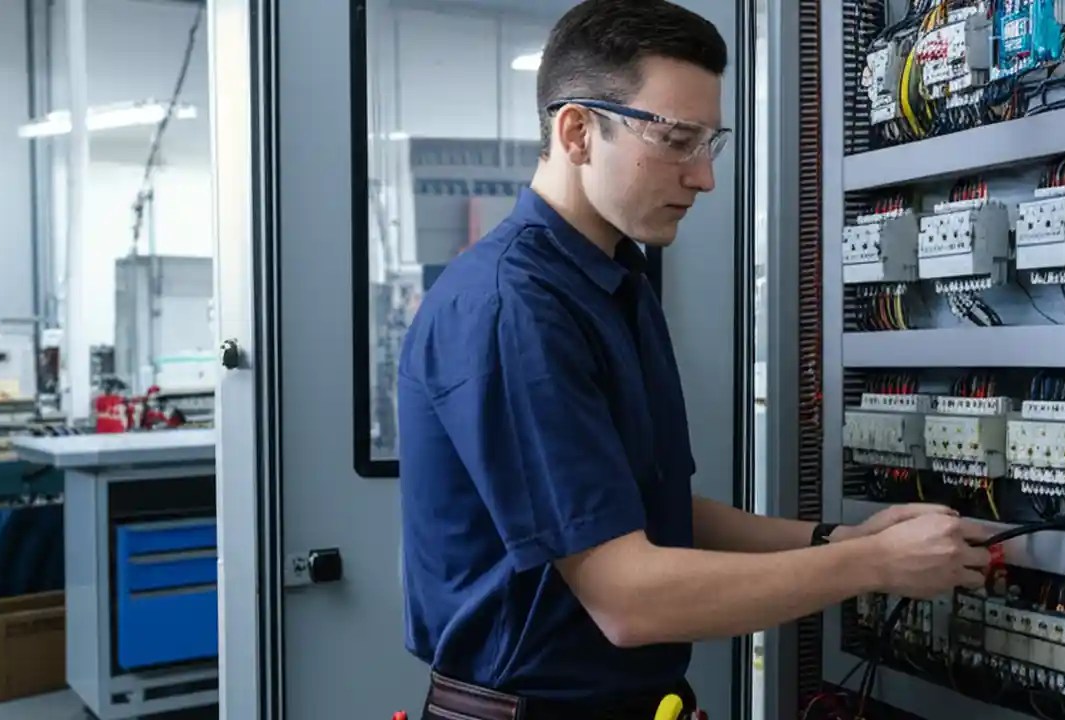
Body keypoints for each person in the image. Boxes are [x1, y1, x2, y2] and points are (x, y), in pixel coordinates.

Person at [396, 1, 991, 718]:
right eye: (677, 140)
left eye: (711, 142)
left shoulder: (615, 284)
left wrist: (838, 537)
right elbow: (627, 598)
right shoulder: (512, 308)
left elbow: (652, 511)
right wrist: (872, 565)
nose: (704, 177)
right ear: (578, 130)